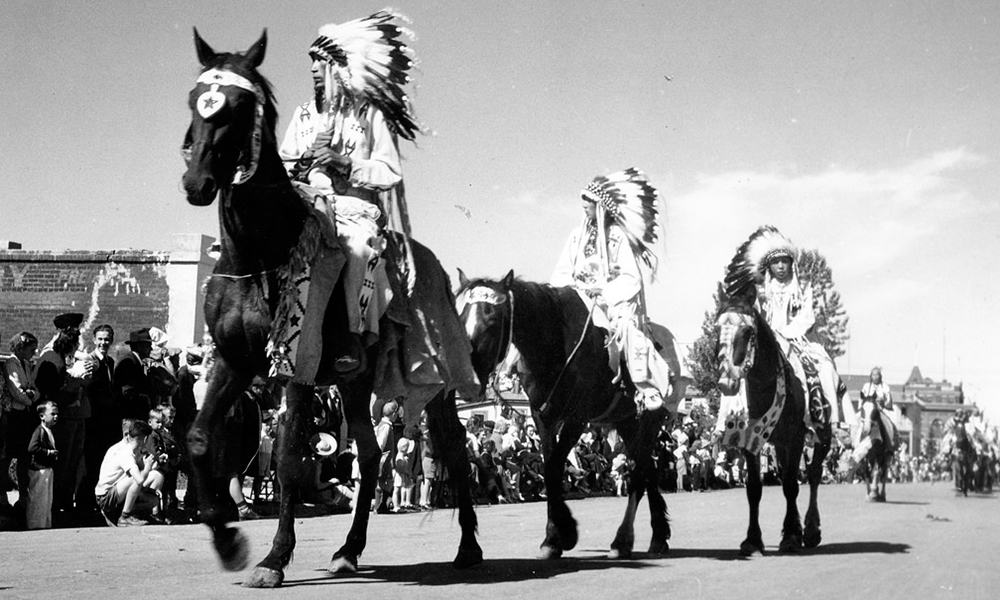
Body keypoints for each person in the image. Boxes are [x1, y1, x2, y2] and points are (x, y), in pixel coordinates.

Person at [278, 10, 420, 373]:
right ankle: (277, 339)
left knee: (356, 251)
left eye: (320, 61)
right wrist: (307, 159)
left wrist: (343, 163)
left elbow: (389, 172)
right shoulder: (304, 114)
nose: (312, 68)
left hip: (355, 212)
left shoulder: (369, 114)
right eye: (310, 61)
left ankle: (352, 338)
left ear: (339, 67)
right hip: (309, 205)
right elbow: (284, 165)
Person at [551, 169, 671, 413]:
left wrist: (603, 293)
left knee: (626, 330)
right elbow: (561, 272)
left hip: (610, 303)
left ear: (601, 206)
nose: (583, 205)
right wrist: (571, 291)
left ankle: (644, 388)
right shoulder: (577, 236)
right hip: (578, 298)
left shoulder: (617, 236)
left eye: (589, 201)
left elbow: (631, 277)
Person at [753, 232, 845, 426]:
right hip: (769, 341)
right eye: (775, 262)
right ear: (769, 266)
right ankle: (736, 421)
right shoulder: (761, 291)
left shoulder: (802, 287)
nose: (780, 266)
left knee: (825, 368)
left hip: (798, 339)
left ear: (790, 264)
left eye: (784, 261)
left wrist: (786, 334)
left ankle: (831, 420)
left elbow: (807, 317)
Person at [34, 312, 93, 518]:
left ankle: (64, 502)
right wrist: (74, 384)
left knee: (72, 461)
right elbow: (53, 390)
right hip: (62, 415)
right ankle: (58, 503)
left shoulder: (63, 356)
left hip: (71, 413)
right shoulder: (52, 356)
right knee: (64, 462)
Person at [78, 324, 117, 516]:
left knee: (103, 464)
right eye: (100, 339)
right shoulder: (89, 360)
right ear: (94, 340)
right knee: (91, 464)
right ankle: (84, 505)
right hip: (93, 422)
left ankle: (96, 504)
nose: (104, 342)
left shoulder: (110, 361)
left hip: (107, 423)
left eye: (107, 339)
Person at [94, 419, 161, 527]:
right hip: (106, 497)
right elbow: (138, 480)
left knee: (153, 500)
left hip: (119, 490)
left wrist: (153, 462)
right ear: (144, 439)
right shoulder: (125, 452)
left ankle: (134, 514)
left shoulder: (134, 450)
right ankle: (124, 517)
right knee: (135, 479)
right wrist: (147, 467)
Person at [4, 332, 39, 511]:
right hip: (14, 417)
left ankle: (24, 496)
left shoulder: (26, 364)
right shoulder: (11, 364)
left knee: (25, 456)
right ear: (21, 347)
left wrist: (30, 394)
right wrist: (29, 396)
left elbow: (34, 388)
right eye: (31, 349)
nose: (34, 352)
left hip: (25, 414)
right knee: (9, 456)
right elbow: (17, 392)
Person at [26, 401, 59, 529]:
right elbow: (32, 448)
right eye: (52, 414)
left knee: (46, 499)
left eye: (57, 414)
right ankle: (35, 525)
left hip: (47, 469)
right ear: (42, 416)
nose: (56, 416)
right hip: (39, 470)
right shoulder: (39, 431)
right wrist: (49, 452)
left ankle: (45, 525)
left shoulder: (48, 431)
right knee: (38, 499)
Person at [113, 328, 154, 421]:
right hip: (130, 414)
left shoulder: (137, 361)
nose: (151, 349)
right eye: (148, 346)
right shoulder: (128, 362)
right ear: (139, 346)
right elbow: (127, 391)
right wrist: (146, 397)